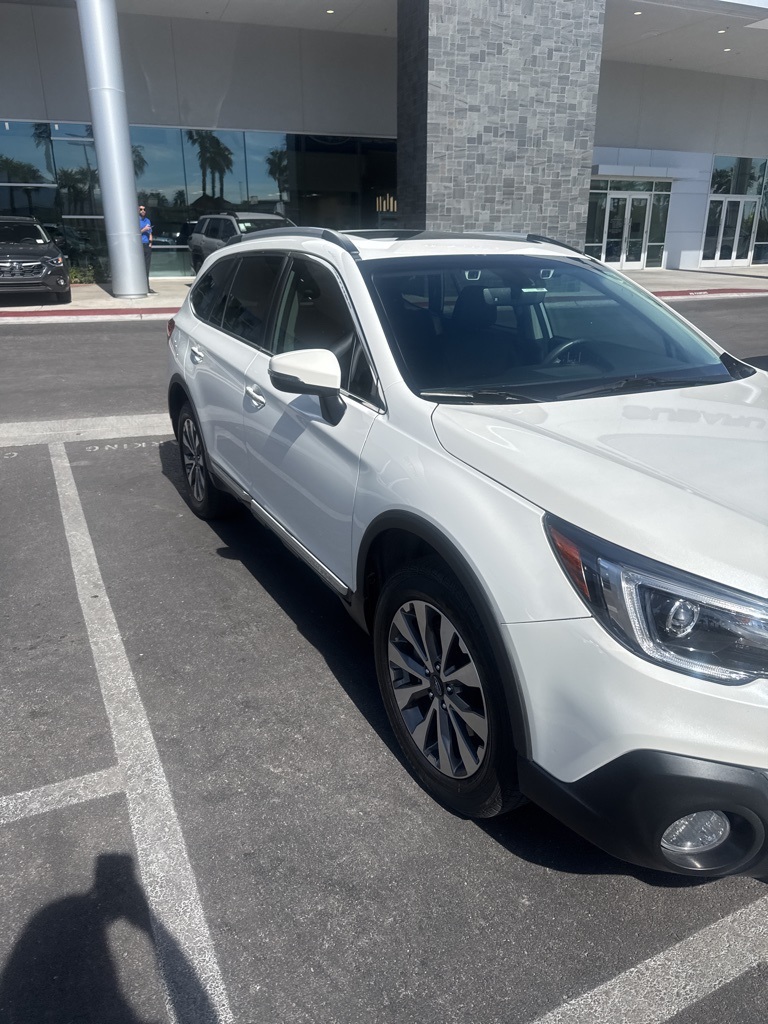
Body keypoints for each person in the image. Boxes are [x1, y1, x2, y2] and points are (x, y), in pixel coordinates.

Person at [138, 204, 152, 287]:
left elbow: (150, 232)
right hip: (139, 246)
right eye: (140, 209)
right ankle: (140, 286)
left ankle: (147, 286)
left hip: (147, 245)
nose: (143, 211)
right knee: (140, 267)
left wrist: (150, 243)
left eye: (144, 209)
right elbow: (135, 234)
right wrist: (144, 229)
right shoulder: (135, 221)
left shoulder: (148, 220)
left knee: (147, 266)